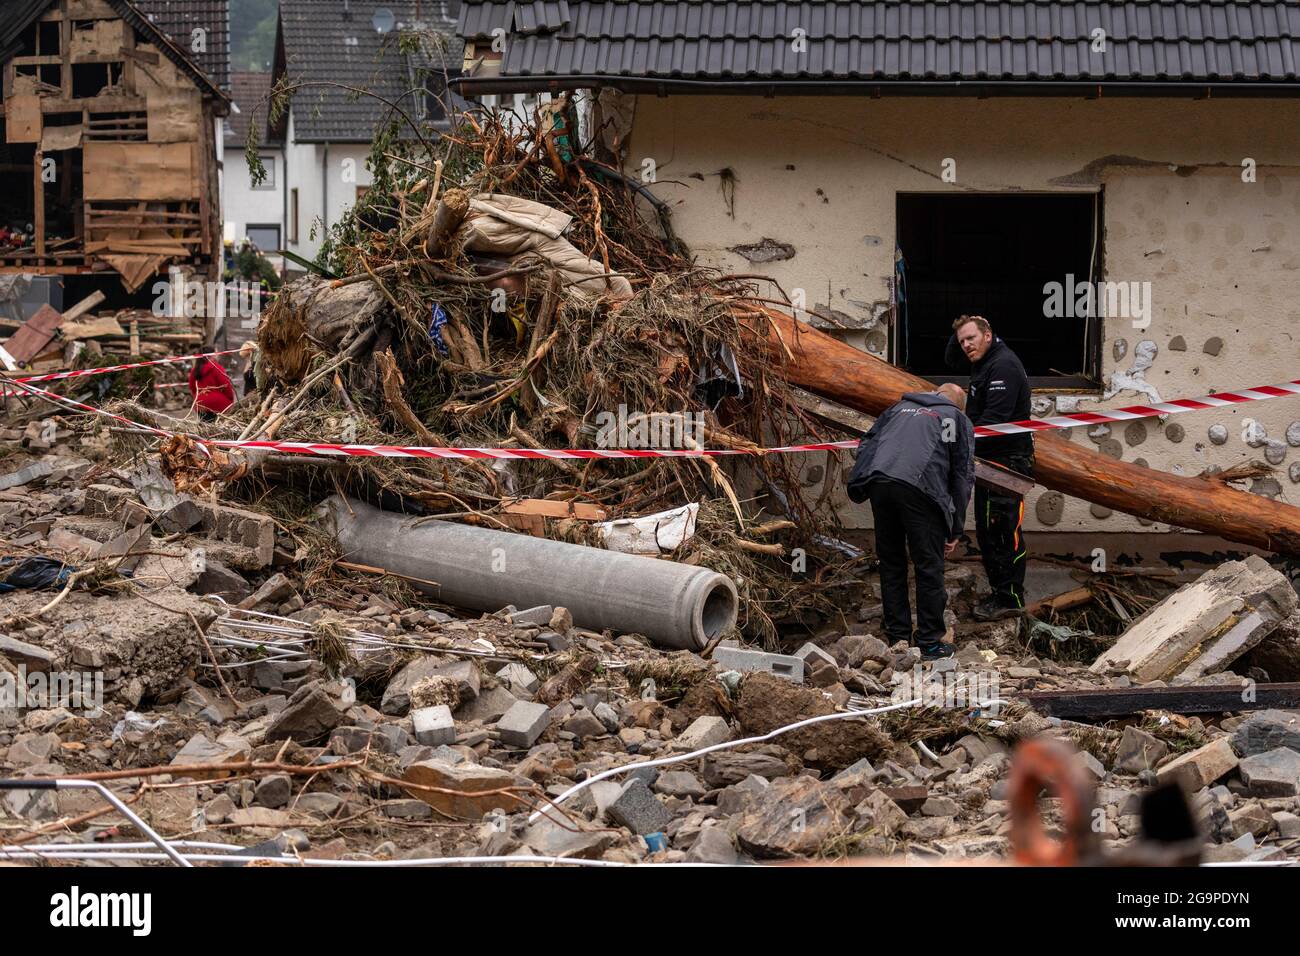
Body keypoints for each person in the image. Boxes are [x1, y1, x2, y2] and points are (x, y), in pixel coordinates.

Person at [847, 384, 974, 661]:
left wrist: (862, 483)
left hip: (880, 483)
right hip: (919, 489)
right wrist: (955, 528)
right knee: (928, 565)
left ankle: (897, 639)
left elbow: (867, 443)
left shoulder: (897, 408)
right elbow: (962, 476)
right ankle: (929, 643)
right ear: (958, 404)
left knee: (891, 563)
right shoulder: (955, 418)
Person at [945, 315, 1033, 620]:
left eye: (971, 338)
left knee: (1002, 533)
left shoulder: (1003, 366)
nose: (966, 346)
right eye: (962, 341)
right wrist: (961, 330)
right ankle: (1000, 593)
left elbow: (994, 421)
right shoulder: (984, 361)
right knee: (987, 531)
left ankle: (1009, 598)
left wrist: (959, 439)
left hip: (1007, 464)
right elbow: (950, 358)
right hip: (989, 463)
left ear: (988, 335)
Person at [188, 350, 235, 421]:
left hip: (201, 403)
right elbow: (226, 385)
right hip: (217, 404)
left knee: (205, 428)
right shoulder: (216, 367)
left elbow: (192, 388)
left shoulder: (194, 370)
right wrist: (230, 399)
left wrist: (197, 398)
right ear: (212, 355)